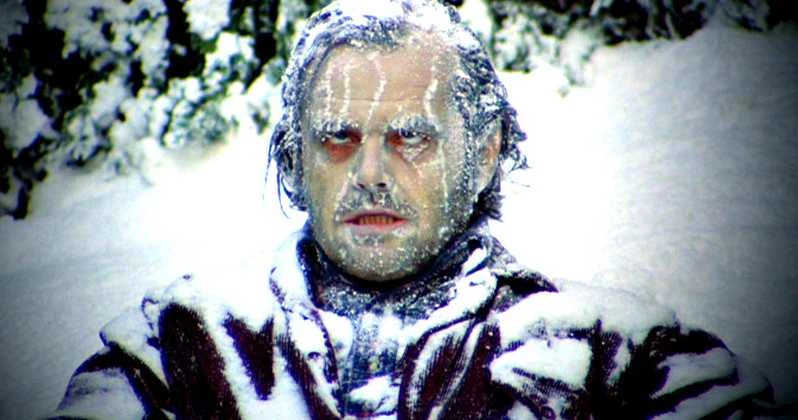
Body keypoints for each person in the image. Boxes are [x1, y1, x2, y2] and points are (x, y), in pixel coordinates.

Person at [50, 0, 774, 418]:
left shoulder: (614, 359)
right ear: (295, 158)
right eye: (338, 137)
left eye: (411, 137)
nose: (370, 174)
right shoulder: (183, 348)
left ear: (484, 152)